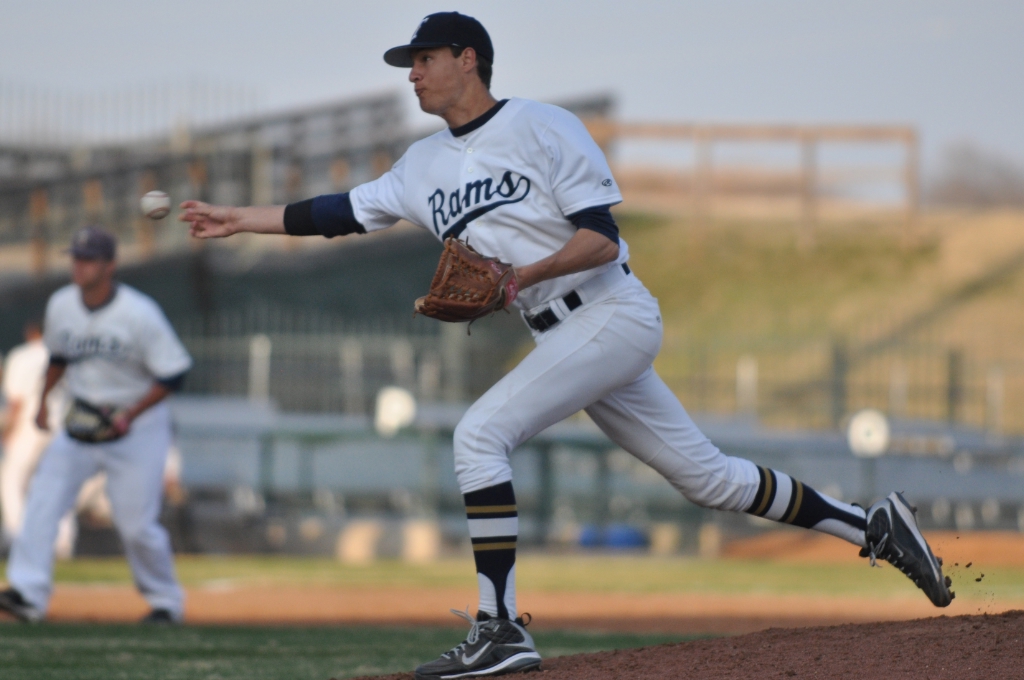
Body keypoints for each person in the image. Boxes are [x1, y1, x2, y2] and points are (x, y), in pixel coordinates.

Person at [180, 11, 952, 678]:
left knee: (480, 434)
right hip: (562, 333)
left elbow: (601, 238)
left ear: (466, 60)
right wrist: (236, 219)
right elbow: (335, 211)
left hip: (611, 312)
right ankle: (871, 524)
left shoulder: (542, 126)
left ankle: (500, 626)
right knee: (709, 480)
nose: (410, 75)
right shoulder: (420, 167)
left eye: (422, 59)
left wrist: (521, 275)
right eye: (408, 64)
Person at [0, 226, 192, 625]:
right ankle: (26, 593)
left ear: (110, 265)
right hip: (82, 420)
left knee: (136, 524)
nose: (79, 265)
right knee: (42, 501)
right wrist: (41, 405)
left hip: (136, 425)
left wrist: (131, 414)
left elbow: (173, 375)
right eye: (76, 257)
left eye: (88, 259)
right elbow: (58, 357)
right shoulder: (62, 304)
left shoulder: (139, 313)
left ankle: (165, 602)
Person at [1, 320, 76, 559]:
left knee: (11, 482)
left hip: (28, 427)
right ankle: (63, 544)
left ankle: (21, 538)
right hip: (59, 428)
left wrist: (7, 432)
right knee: (57, 486)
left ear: (30, 332)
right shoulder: (65, 356)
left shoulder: (21, 356)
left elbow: (16, 402)